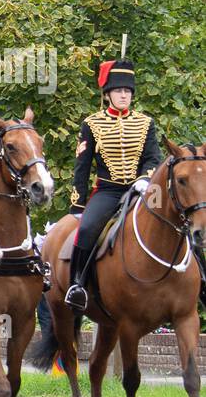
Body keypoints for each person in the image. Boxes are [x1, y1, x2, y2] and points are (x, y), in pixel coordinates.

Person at [65, 58, 162, 310]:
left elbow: (153, 157)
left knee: (175, 220)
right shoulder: (92, 124)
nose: (123, 95)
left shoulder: (145, 123)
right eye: (119, 91)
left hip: (142, 190)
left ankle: (200, 281)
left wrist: (144, 179)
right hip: (108, 190)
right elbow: (82, 166)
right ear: (107, 94)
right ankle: (77, 284)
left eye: (127, 91)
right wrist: (78, 204)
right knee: (86, 229)